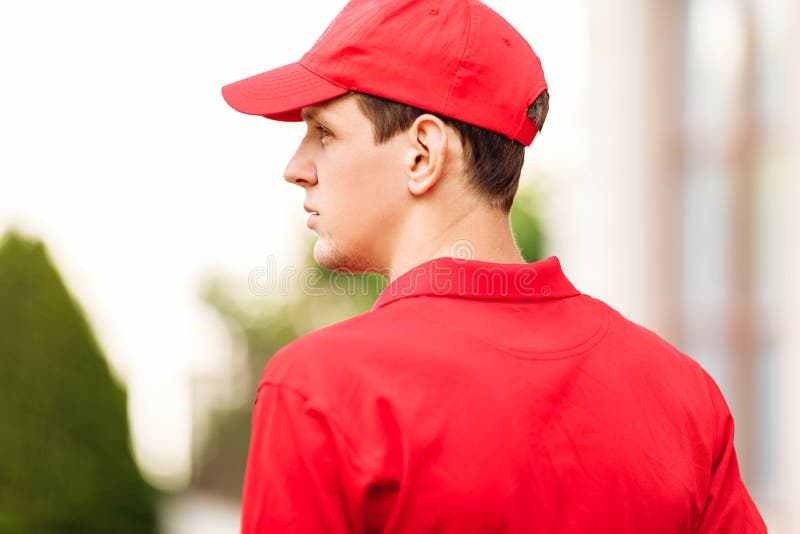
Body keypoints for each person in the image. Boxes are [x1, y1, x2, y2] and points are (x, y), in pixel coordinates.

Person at [222, 0, 767, 532]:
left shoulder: (319, 391)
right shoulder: (682, 395)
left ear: (422, 153)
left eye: (324, 132)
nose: (296, 167)